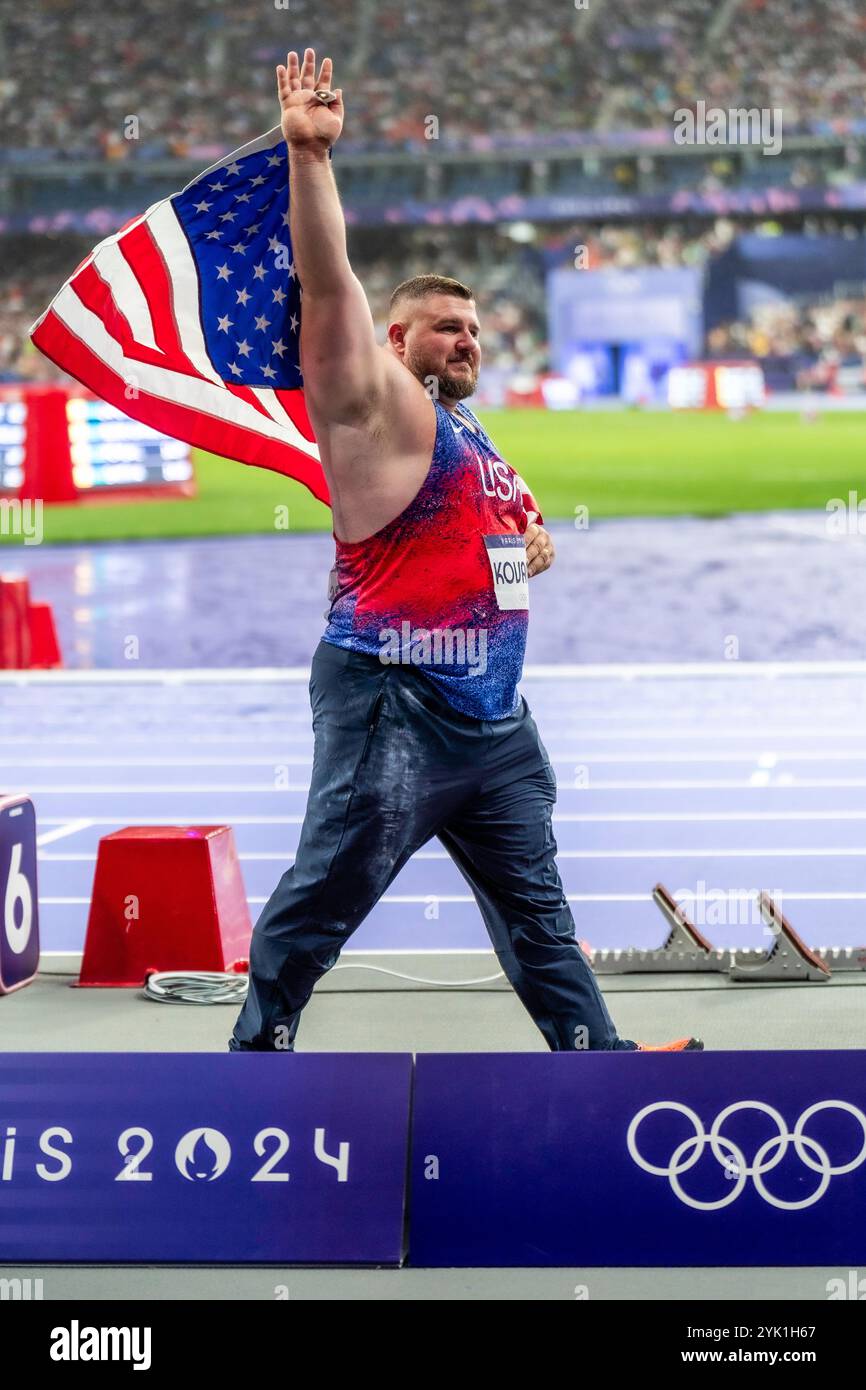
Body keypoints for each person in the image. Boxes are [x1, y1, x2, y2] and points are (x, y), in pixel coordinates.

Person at [229, 48, 703, 1054]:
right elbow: (329, 294)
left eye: (475, 329)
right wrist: (308, 159)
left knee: (537, 912)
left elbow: (493, 535)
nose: (465, 341)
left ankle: (594, 1061)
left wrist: (526, 547)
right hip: (390, 701)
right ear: (394, 341)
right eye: (444, 328)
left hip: (492, 724)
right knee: (325, 895)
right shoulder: (374, 406)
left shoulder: (470, 431)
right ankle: (255, 1055)